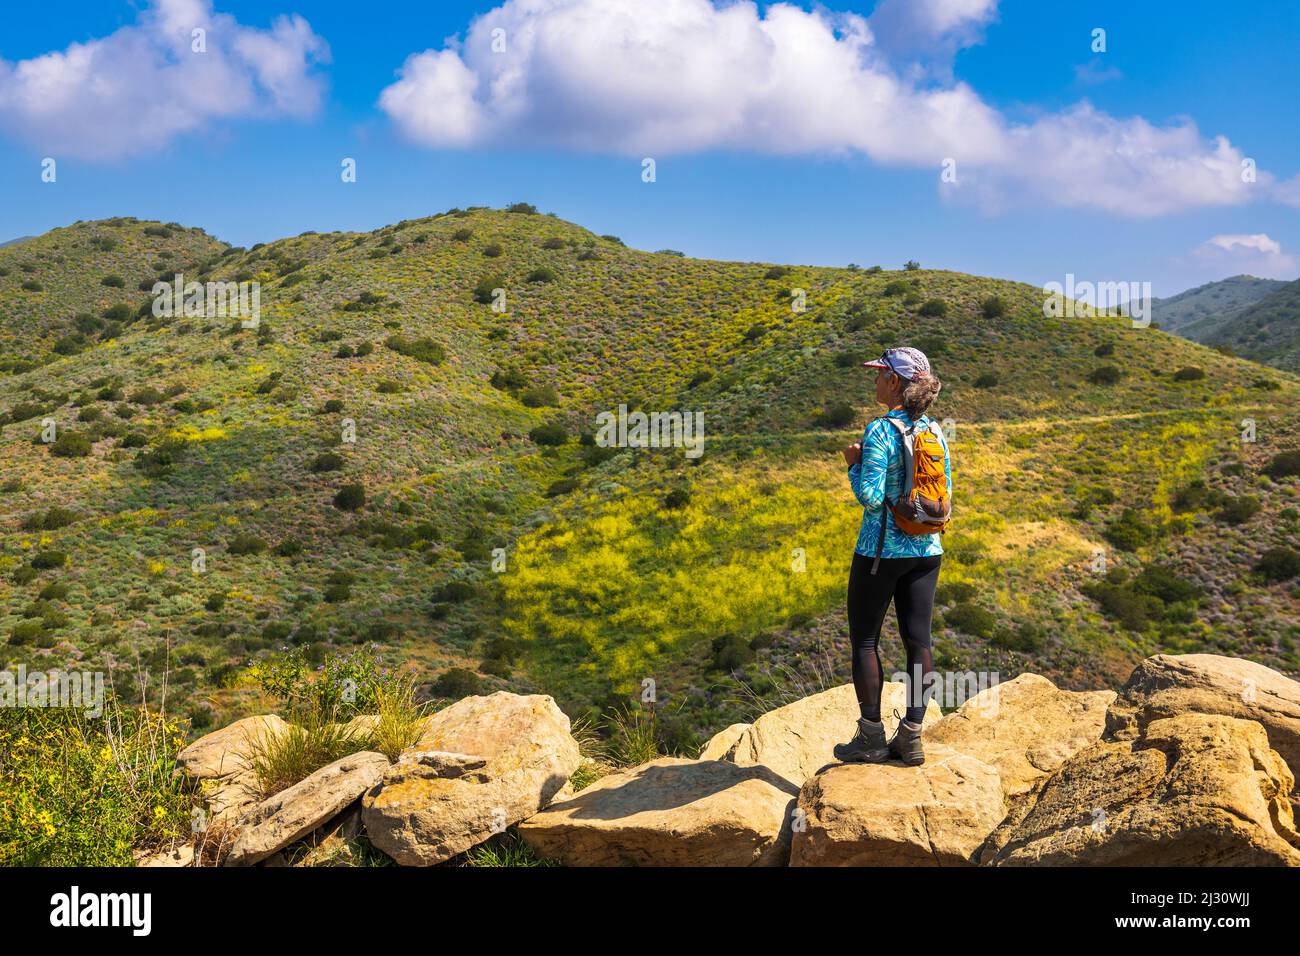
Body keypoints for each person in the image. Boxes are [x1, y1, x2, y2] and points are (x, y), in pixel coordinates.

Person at [834, 346, 949, 766]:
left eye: (881, 375)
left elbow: (869, 497)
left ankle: (870, 737)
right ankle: (912, 736)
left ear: (896, 383)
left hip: (880, 552)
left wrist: (853, 463)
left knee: (865, 640)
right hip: (927, 550)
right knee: (919, 641)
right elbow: (945, 491)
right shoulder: (934, 430)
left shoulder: (880, 431)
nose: (876, 381)